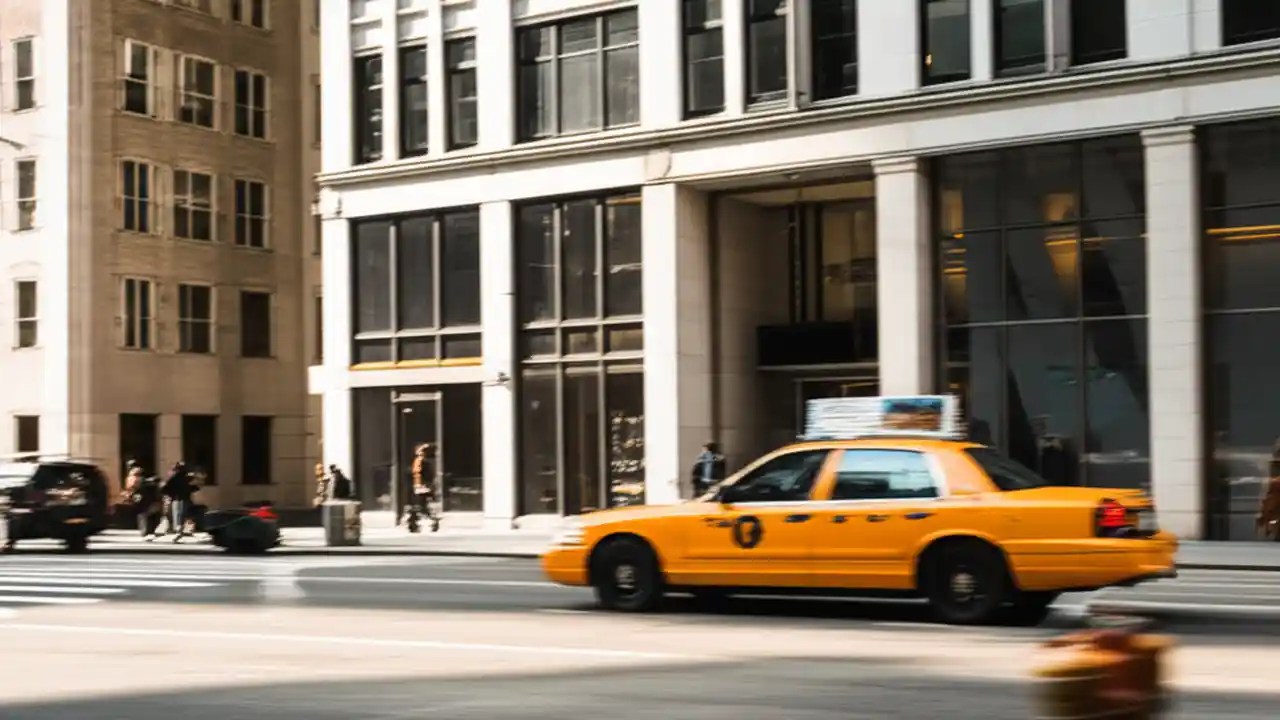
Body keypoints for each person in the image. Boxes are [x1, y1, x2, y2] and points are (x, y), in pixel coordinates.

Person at [161, 461, 197, 543]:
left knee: (178, 516)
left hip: (176, 499)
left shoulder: (174, 477)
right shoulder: (187, 478)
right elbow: (194, 488)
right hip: (184, 499)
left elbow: (164, 488)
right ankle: (180, 532)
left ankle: (178, 532)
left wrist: (170, 494)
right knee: (184, 516)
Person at [408, 443, 440, 533]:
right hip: (420, 486)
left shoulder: (423, 462)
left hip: (422, 487)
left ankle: (416, 523)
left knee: (421, 506)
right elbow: (417, 474)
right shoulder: (419, 461)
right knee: (420, 506)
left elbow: (425, 475)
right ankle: (414, 523)